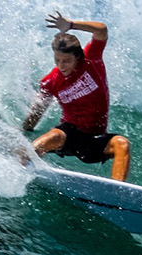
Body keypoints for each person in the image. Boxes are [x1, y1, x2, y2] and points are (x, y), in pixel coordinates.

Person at [22, 10, 132, 181]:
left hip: (96, 138)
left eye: (66, 61)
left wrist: (71, 25)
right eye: (57, 60)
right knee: (52, 138)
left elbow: (101, 30)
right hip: (69, 134)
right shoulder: (51, 81)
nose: (61, 65)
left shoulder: (91, 61)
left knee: (122, 144)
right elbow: (38, 109)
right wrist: (25, 129)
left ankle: (117, 193)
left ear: (78, 57)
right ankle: (22, 169)